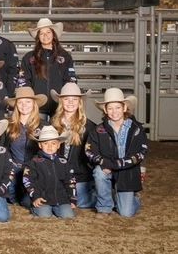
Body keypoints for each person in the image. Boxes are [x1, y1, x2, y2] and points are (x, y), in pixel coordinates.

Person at [85, 88, 148, 218]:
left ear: (124, 108)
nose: (114, 112)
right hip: (107, 167)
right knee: (99, 172)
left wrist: (116, 165)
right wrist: (105, 163)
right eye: (110, 108)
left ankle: (133, 198)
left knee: (125, 213)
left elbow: (141, 153)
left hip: (127, 170)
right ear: (105, 110)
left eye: (118, 107)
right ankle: (104, 207)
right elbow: (89, 151)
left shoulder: (137, 129)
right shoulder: (98, 130)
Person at [18, 17, 76, 117]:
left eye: (48, 32)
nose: (45, 36)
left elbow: (70, 80)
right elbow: (24, 81)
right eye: (41, 33)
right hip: (37, 107)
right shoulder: (28, 58)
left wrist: (65, 101)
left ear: (53, 34)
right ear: (38, 37)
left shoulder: (65, 56)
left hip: (59, 106)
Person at [51, 82, 96, 210]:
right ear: (61, 101)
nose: (70, 102)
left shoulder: (89, 127)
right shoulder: (52, 124)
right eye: (66, 99)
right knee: (55, 199)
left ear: (79, 102)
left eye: (74, 99)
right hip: (58, 175)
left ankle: (100, 195)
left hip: (79, 176)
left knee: (73, 203)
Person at [24, 125, 76, 219]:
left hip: (61, 199)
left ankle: (59, 208)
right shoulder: (33, 162)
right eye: (45, 143)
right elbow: (28, 181)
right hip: (42, 198)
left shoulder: (63, 162)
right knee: (44, 215)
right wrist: (35, 197)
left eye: (53, 143)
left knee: (68, 215)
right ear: (40, 145)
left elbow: (70, 181)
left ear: (59, 145)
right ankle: (33, 206)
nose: (50, 147)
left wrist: (72, 199)